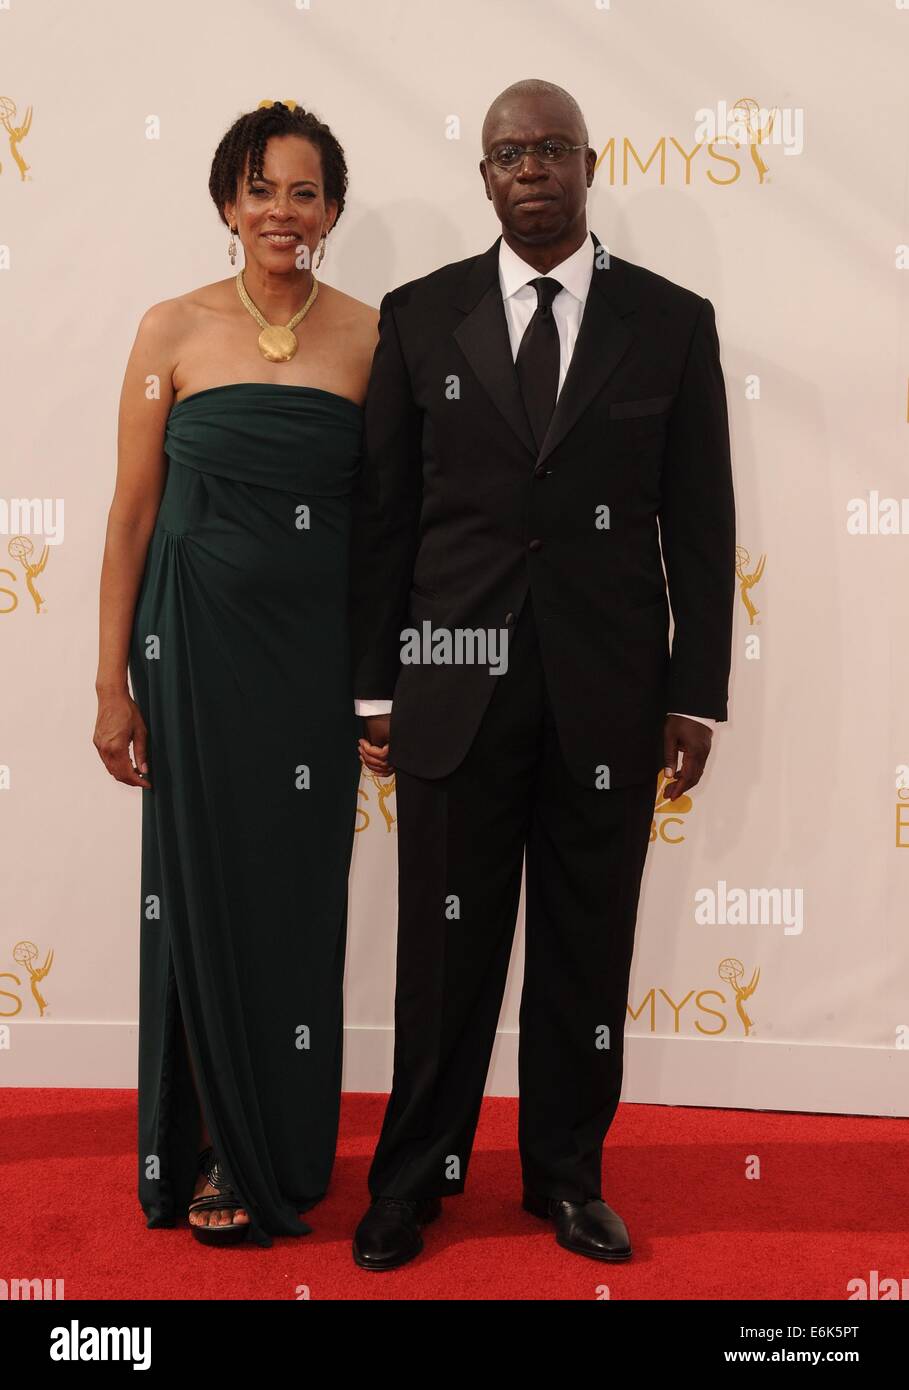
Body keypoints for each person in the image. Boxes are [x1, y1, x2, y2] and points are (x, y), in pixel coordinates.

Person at [349, 78, 735, 1269]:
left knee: (586, 950)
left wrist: (694, 690)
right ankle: (412, 1180)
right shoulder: (421, 316)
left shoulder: (671, 321)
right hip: (453, 681)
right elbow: (386, 518)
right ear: (485, 177)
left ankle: (567, 1178)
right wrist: (375, 686)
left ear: (589, 165)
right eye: (510, 153)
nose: (532, 169)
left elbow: (702, 524)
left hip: (606, 693)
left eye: (553, 149)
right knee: (443, 956)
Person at [93, 100, 377, 1247]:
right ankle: (209, 1146)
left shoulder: (372, 338)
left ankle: (282, 1146)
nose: (282, 211)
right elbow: (131, 515)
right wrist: (111, 683)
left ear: (333, 210)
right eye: (262, 189)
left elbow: (387, 532)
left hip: (313, 669)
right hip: (191, 659)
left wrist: (382, 687)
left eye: (305, 192)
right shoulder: (170, 329)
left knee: (294, 901)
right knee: (200, 896)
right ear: (227, 202)